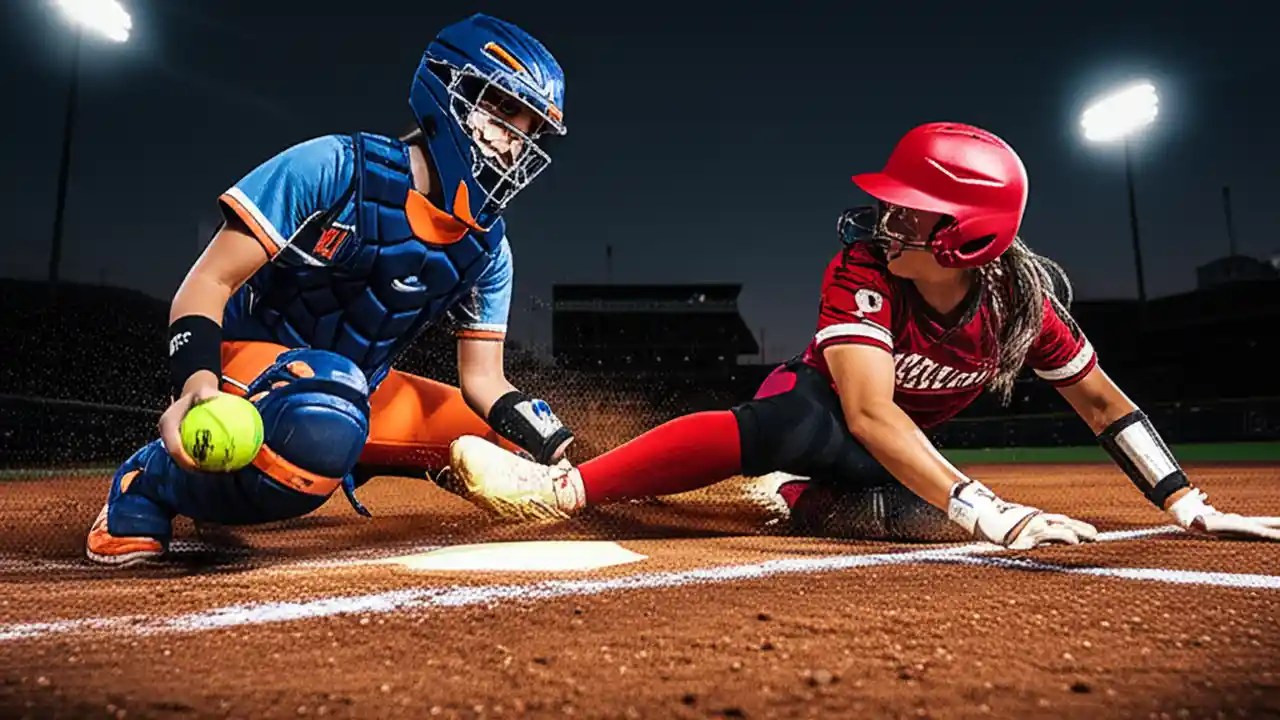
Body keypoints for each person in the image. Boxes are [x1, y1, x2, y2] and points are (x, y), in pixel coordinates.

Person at [448, 122, 1280, 548]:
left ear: (965, 238)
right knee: (801, 424)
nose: (885, 217)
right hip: (821, 410)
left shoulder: (1022, 308)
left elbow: (1105, 406)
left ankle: (785, 496)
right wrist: (988, 510)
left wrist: (1186, 501)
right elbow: (871, 412)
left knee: (905, 519)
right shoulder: (861, 270)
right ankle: (562, 489)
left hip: (889, 456)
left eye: (908, 209)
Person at [86, 14, 577, 566]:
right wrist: (196, 385)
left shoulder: (488, 248)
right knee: (326, 414)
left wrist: (552, 447)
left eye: (529, 128)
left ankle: (328, 423)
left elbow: (483, 380)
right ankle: (147, 480)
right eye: (504, 111)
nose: (516, 142)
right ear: (450, 89)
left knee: (502, 448)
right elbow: (207, 282)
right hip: (251, 368)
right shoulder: (333, 167)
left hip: (359, 389)